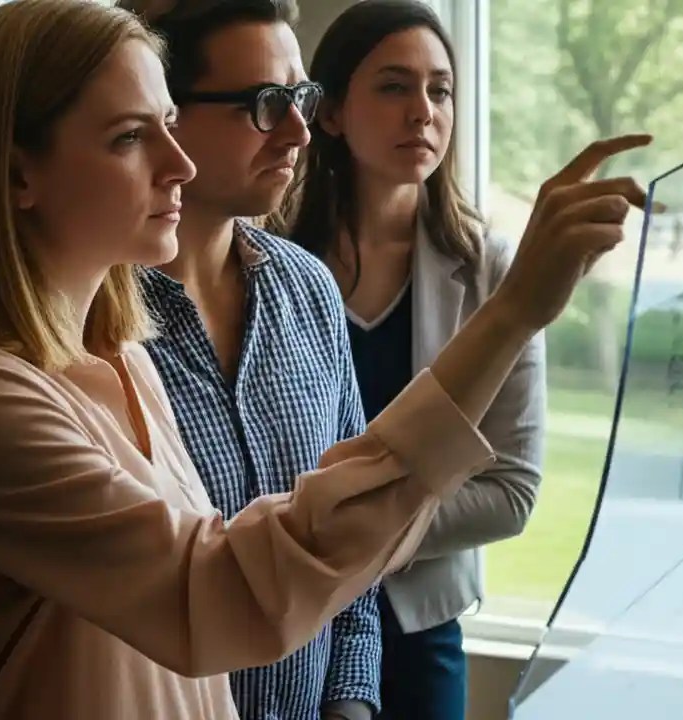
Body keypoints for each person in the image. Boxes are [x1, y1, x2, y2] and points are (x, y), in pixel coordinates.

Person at [0, 1, 646, 718]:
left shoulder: (115, 354)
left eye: (169, 124)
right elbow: (221, 594)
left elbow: (280, 591)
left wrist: (351, 698)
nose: (180, 164)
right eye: (132, 136)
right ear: (17, 170)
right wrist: (508, 318)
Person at [266, 2, 550, 717]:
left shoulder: (491, 274)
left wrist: (355, 535)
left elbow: (511, 492)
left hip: (419, 632)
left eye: (440, 90)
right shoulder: (264, 264)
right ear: (328, 113)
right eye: (394, 87)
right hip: (276, 619)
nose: (423, 112)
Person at [120, 1, 379, 717]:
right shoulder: (93, 325)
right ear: (162, 114)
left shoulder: (308, 288)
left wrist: (351, 705)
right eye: (265, 103)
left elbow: (351, 541)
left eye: (301, 97)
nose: (299, 130)